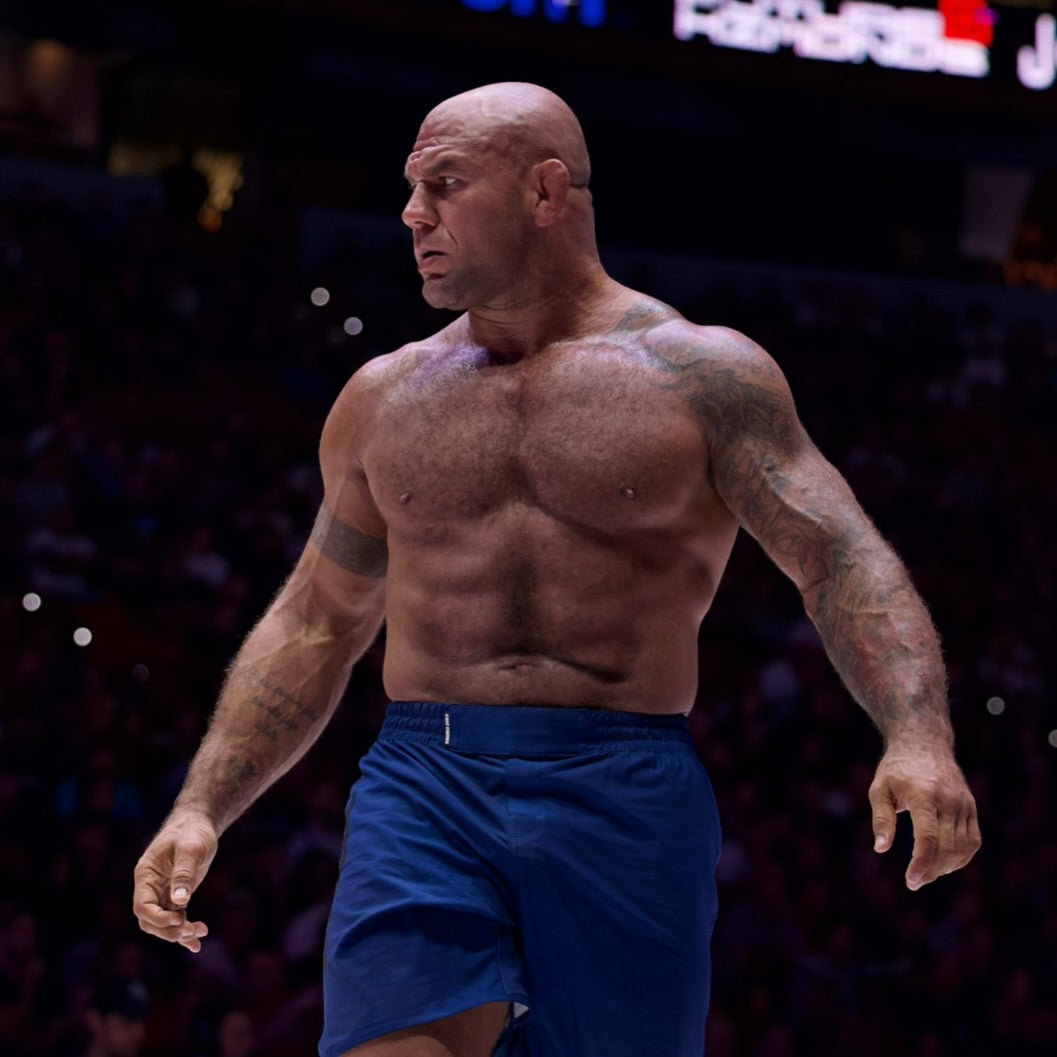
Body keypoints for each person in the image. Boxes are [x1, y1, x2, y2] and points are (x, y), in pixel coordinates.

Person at [133, 82, 981, 1057]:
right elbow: (317, 618)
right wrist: (202, 804)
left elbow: (836, 555)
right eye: (410, 186)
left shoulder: (702, 376)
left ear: (545, 191)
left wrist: (918, 734)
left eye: (445, 184)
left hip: (623, 781)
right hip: (424, 779)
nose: (412, 213)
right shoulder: (382, 396)